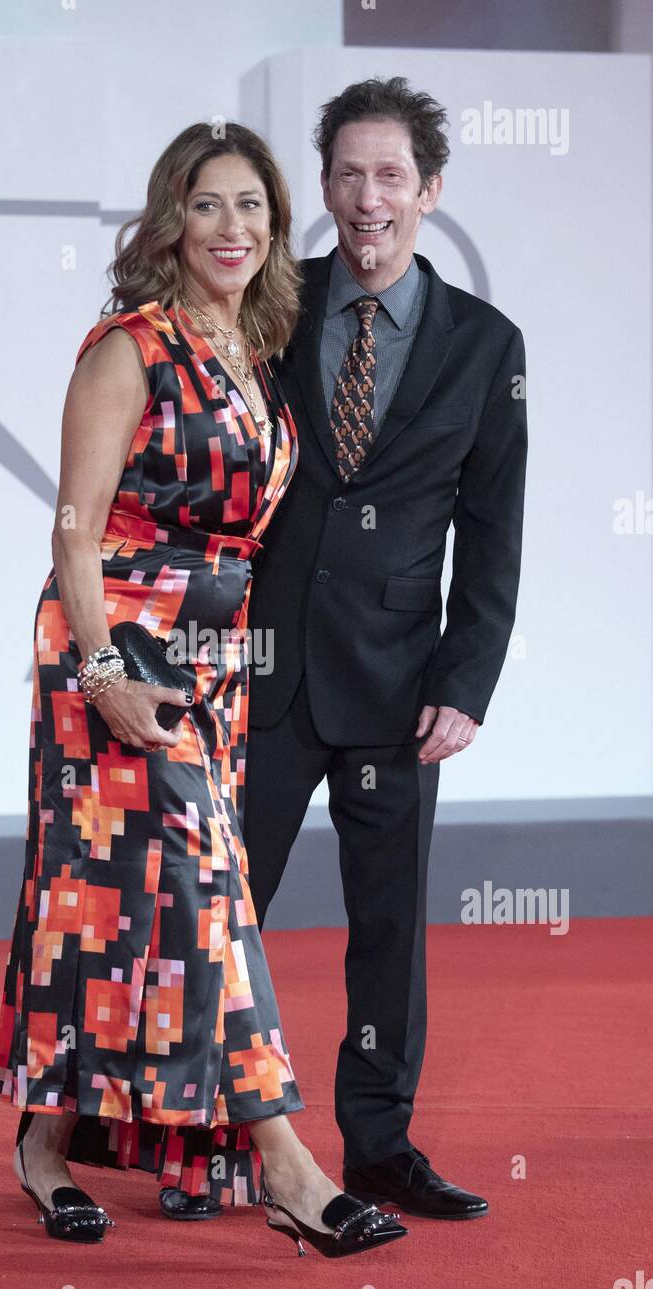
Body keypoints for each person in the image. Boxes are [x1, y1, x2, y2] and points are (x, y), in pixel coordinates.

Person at [0, 120, 406, 1258]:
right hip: (112, 650)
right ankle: (284, 1163)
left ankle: (44, 1138)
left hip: (209, 666)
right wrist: (108, 673)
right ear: (172, 219)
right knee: (207, 896)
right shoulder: (129, 344)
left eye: (253, 208)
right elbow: (73, 533)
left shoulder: (250, 355)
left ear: (276, 228)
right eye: (210, 204)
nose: (233, 227)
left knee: (115, 914)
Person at [235, 77, 526, 1222]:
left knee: (389, 930)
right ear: (322, 187)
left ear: (429, 191)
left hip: (400, 683)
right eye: (348, 175)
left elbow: (493, 531)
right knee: (222, 916)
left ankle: (378, 1144)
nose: (368, 199)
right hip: (258, 675)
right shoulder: (271, 306)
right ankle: (202, 1135)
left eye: (390, 176)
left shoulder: (482, 344)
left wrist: (465, 681)